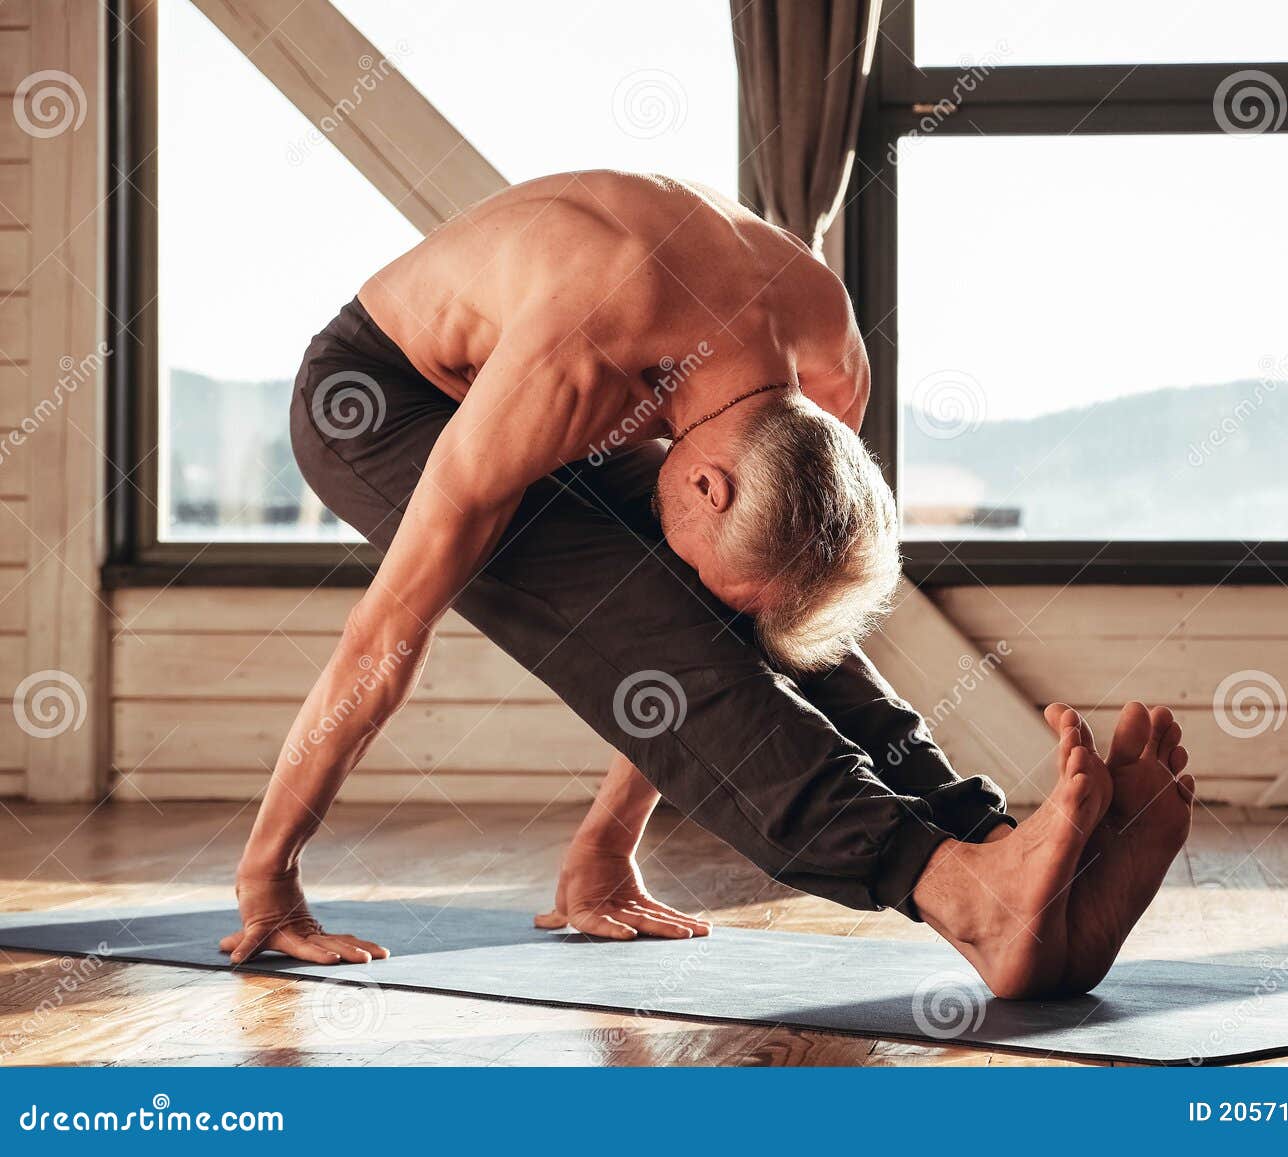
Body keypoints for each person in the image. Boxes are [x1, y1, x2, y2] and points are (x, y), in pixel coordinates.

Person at [220, 171, 1195, 998]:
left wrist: (607, 838)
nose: (708, 600)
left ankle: (1005, 857)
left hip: (551, 373)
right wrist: (270, 875)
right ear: (699, 479)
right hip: (386, 401)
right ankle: (965, 894)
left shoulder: (823, 365)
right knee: (659, 624)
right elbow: (379, 636)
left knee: (789, 612)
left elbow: (752, 622)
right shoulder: (583, 355)